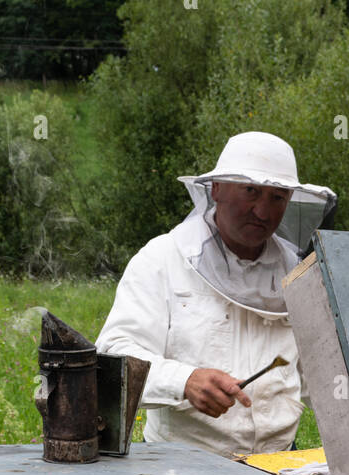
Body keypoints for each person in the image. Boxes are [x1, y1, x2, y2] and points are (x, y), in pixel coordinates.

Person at [94, 132, 336, 458]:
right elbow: (113, 356)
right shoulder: (162, 259)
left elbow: (323, 376)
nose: (263, 212)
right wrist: (185, 380)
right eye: (251, 191)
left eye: (277, 198)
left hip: (278, 464)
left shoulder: (300, 274)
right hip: (181, 465)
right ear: (217, 188)